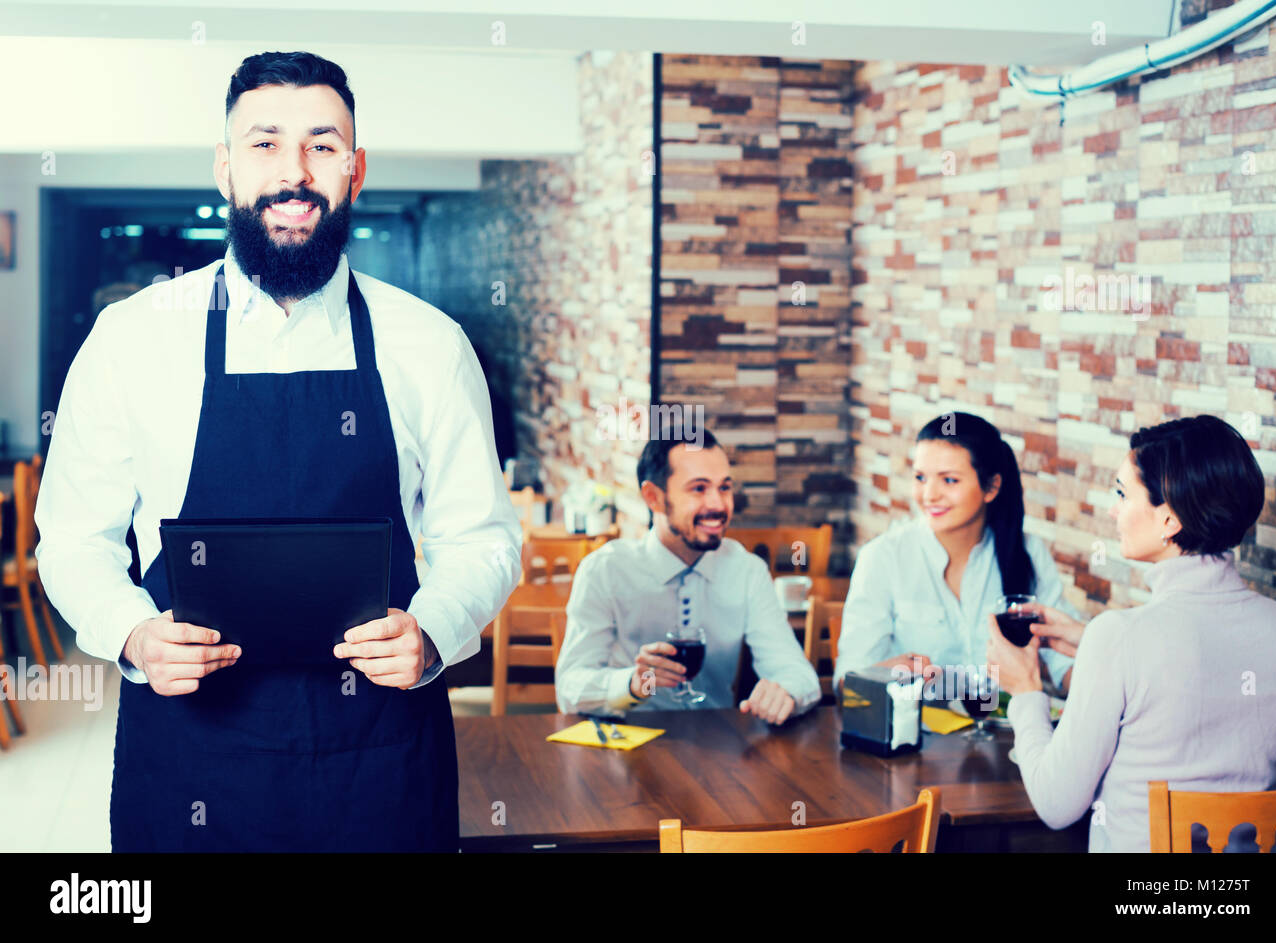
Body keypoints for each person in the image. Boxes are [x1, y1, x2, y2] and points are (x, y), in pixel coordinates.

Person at [33, 51, 522, 852]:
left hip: (380, 760)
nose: (295, 172)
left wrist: (434, 628)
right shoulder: (132, 338)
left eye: (322, 145)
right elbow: (74, 540)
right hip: (192, 759)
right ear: (225, 169)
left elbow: (485, 537)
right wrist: (131, 632)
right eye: (266, 143)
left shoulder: (430, 344)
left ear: (355, 171)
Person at [987, 415, 1276, 853]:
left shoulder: (1120, 637)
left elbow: (1056, 806)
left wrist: (1024, 692)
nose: (1113, 509)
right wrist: (1088, 638)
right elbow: (1206, 662)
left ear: (1169, 520)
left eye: (1121, 493)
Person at [554, 425, 820, 723]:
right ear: (653, 497)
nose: (718, 504)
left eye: (724, 487)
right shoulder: (605, 571)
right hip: (627, 749)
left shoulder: (747, 571)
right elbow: (569, 688)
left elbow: (799, 675)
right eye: (698, 488)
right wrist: (632, 683)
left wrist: (785, 692)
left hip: (720, 750)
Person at [834, 411, 1078, 696]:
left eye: (949, 480)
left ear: (992, 487)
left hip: (1009, 733)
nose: (929, 495)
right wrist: (884, 673)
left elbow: (1066, 664)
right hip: (919, 736)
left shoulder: (1028, 553)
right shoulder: (882, 558)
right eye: (921, 477)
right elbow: (846, 684)